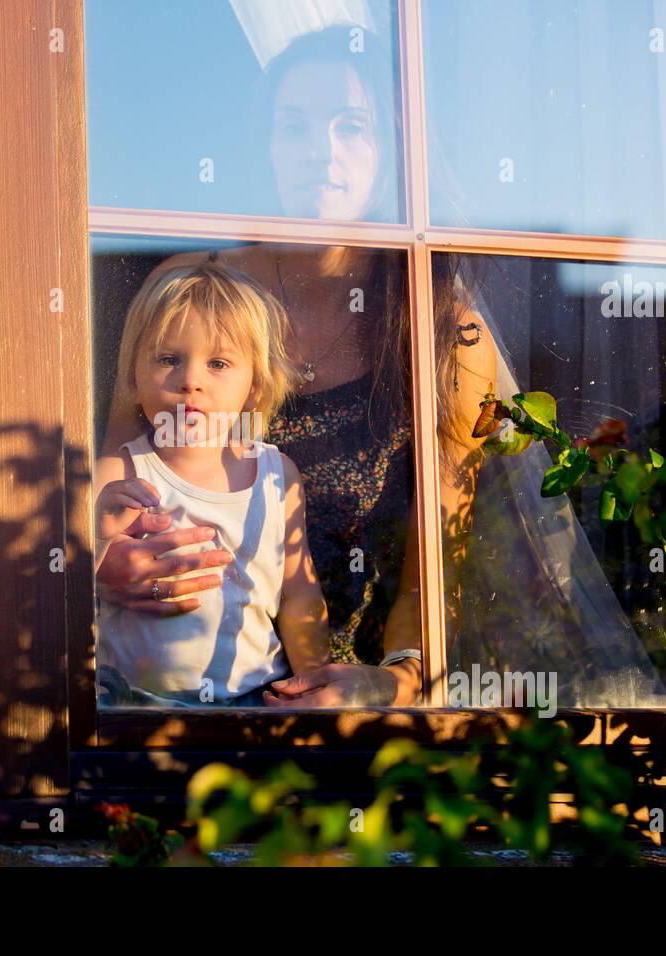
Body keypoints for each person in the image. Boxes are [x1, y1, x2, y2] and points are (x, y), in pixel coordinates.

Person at [96, 23, 498, 707]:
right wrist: (103, 563)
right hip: (173, 704)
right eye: (293, 128)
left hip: (354, 717)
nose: (320, 153)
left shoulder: (441, 326)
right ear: (266, 149)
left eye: (352, 128)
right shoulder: (194, 295)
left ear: (394, 152)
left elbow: (438, 563)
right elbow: (110, 479)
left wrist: (394, 681)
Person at [93, 262, 332, 706]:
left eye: (218, 363)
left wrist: (314, 685)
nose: (191, 381)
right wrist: (99, 538)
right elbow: (66, 583)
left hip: (254, 698)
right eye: (168, 359)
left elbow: (298, 593)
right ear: (132, 376)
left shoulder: (278, 474)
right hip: (135, 705)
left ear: (256, 386)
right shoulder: (118, 473)